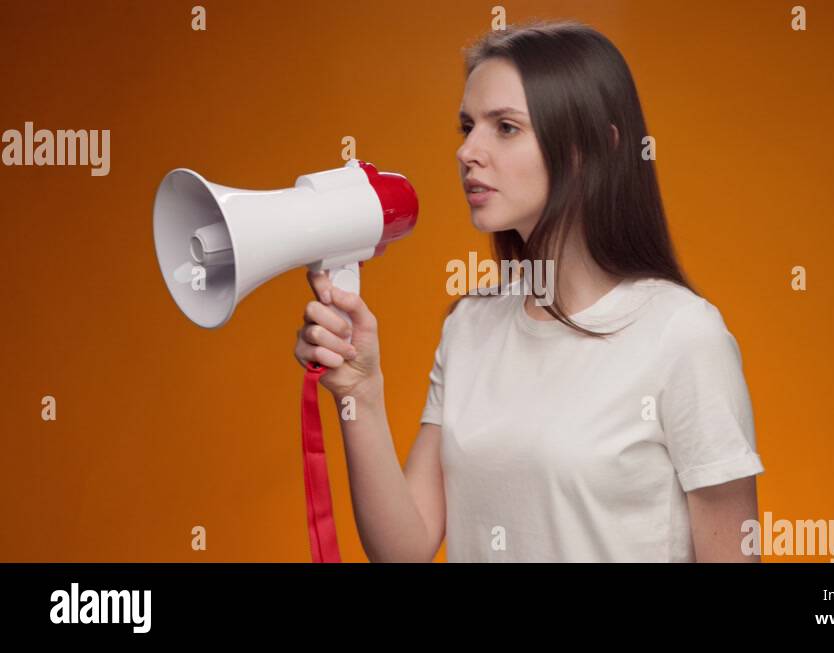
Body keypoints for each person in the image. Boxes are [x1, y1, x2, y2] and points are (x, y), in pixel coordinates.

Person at [293, 19, 764, 562]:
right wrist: (360, 394)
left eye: (506, 127)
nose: (468, 151)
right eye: (467, 126)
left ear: (596, 148)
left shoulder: (682, 335)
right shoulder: (471, 324)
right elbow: (405, 549)